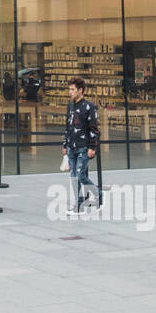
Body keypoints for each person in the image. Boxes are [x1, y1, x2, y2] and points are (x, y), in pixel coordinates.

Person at [64, 77, 101, 213]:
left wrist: (93, 147)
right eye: (69, 89)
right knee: (75, 177)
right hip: (71, 147)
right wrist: (65, 144)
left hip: (84, 147)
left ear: (80, 90)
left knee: (80, 176)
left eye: (73, 89)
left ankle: (82, 202)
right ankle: (94, 196)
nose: (70, 92)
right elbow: (67, 126)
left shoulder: (89, 107)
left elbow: (94, 129)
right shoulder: (70, 106)